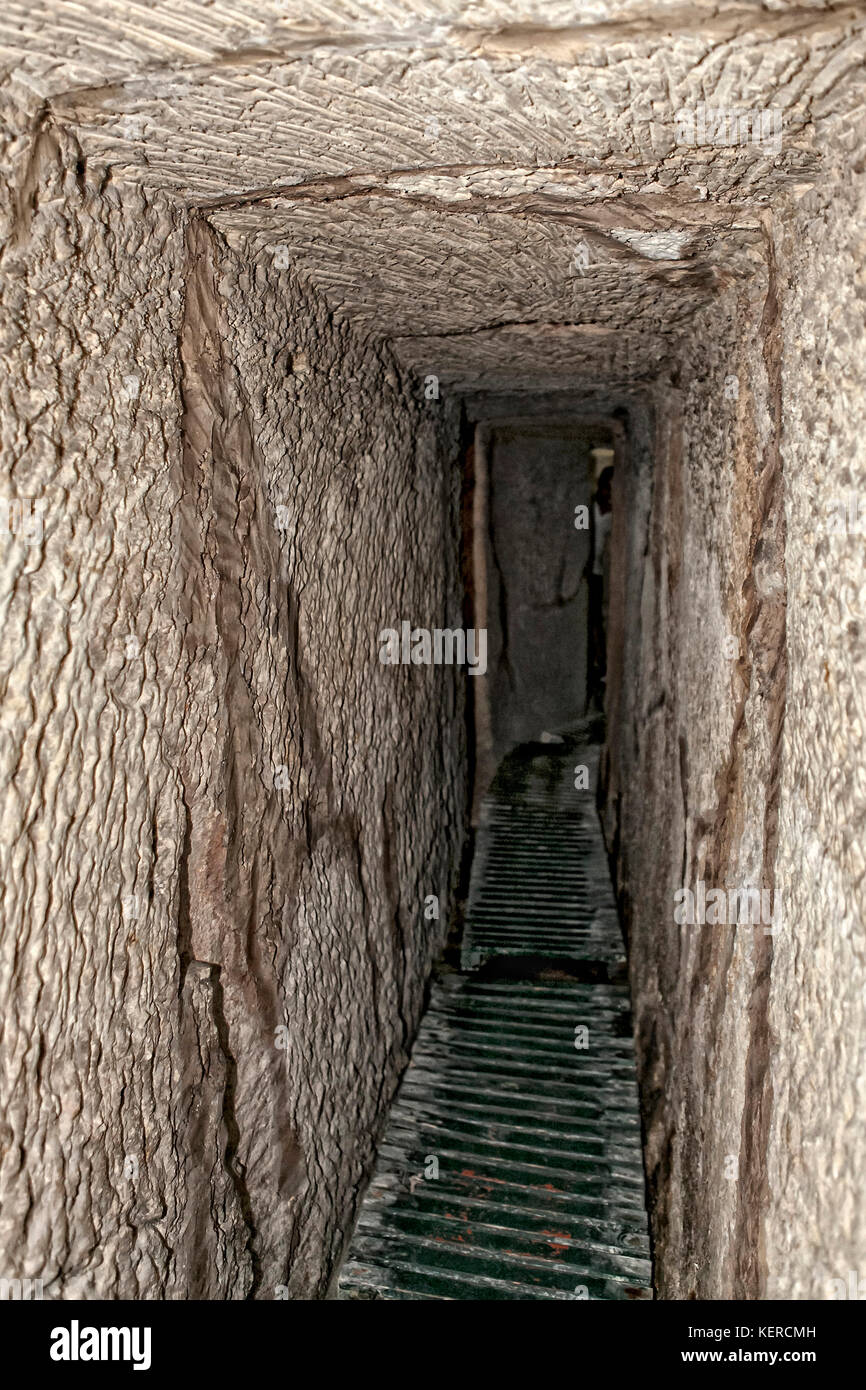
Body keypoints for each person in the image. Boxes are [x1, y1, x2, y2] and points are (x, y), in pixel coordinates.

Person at [587, 466, 613, 712]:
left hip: (604, 574)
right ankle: (593, 663)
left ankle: (602, 664)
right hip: (588, 573)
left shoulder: (618, 513)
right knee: (590, 620)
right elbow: (579, 531)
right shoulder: (586, 508)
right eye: (607, 486)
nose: (609, 492)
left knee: (601, 619)